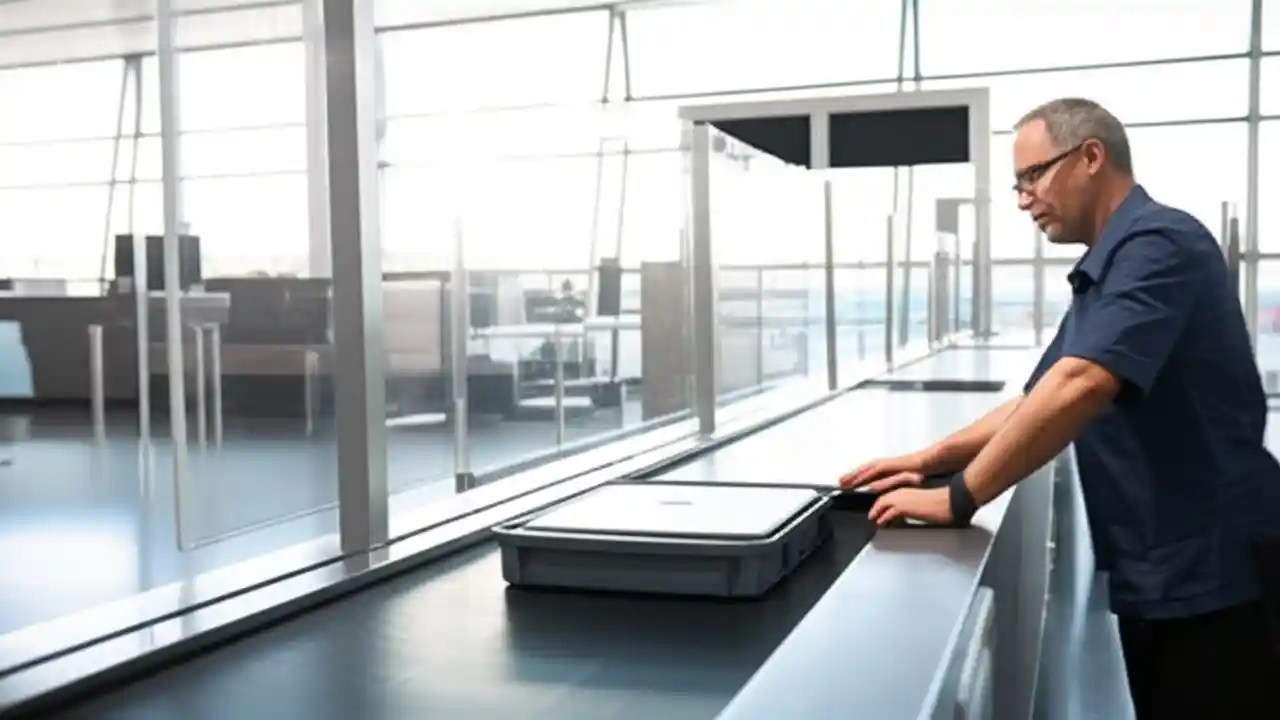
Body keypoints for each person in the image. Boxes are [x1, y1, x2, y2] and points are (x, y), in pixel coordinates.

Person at [839, 97, 1280, 717]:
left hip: (1215, 574)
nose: (1024, 199)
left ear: (1090, 157)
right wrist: (928, 460)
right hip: (1162, 573)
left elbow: (1081, 383)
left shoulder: (1160, 243)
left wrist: (959, 497)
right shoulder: (1111, 266)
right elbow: (1038, 395)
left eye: (1033, 176)